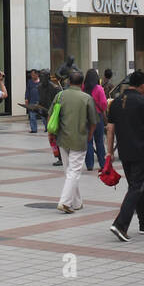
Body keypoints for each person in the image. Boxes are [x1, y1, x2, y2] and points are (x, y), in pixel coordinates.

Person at [106, 70, 144, 242]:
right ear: (143, 85)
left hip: (124, 152)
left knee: (135, 186)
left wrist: (109, 152)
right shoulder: (142, 101)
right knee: (136, 187)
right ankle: (120, 224)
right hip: (140, 151)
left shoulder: (115, 101)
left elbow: (110, 129)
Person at [55, 71, 97, 213]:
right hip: (79, 139)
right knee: (74, 172)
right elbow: (93, 122)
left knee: (69, 171)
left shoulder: (60, 95)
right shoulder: (86, 98)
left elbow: (51, 115)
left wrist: (51, 135)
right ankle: (65, 202)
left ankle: (77, 202)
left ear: (68, 82)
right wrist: (89, 136)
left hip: (62, 139)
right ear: (82, 83)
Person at [37, 69, 63, 166]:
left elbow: (60, 102)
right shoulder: (39, 87)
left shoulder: (56, 88)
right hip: (46, 114)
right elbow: (41, 101)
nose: (41, 78)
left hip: (55, 115)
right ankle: (58, 156)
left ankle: (62, 157)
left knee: (57, 137)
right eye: (41, 76)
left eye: (43, 76)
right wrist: (37, 108)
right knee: (51, 138)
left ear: (48, 77)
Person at [83, 67, 107, 170]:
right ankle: (102, 163)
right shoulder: (99, 88)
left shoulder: (83, 88)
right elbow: (104, 104)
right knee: (99, 141)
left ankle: (89, 164)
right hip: (98, 117)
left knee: (88, 141)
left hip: (86, 117)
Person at [21, 69, 41, 134]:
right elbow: (27, 91)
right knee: (32, 116)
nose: (32, 76)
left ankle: (47, 128)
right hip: (32, 101)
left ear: (37, 74)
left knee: (44, 116)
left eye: (33, 75)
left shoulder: (42, 82)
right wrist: (26, 98)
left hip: (41, 102)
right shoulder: (30, 82)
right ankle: (34, 129)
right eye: (31, 75)